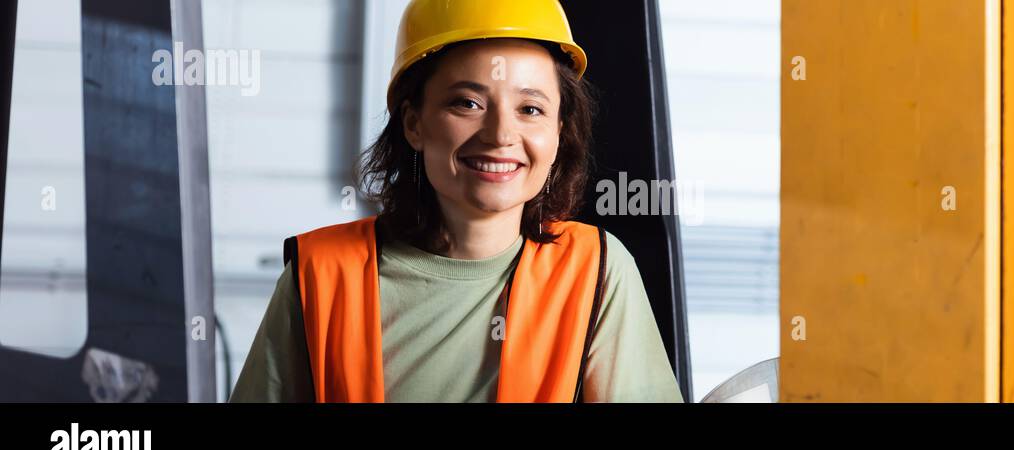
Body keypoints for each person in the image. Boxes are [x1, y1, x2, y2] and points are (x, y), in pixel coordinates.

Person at [230, 0, 682, 403]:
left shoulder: (596, 271)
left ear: (559, 132)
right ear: (414, 124)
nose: (501, 134)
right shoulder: (319, 274)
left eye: (531, 109)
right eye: (467, 103)